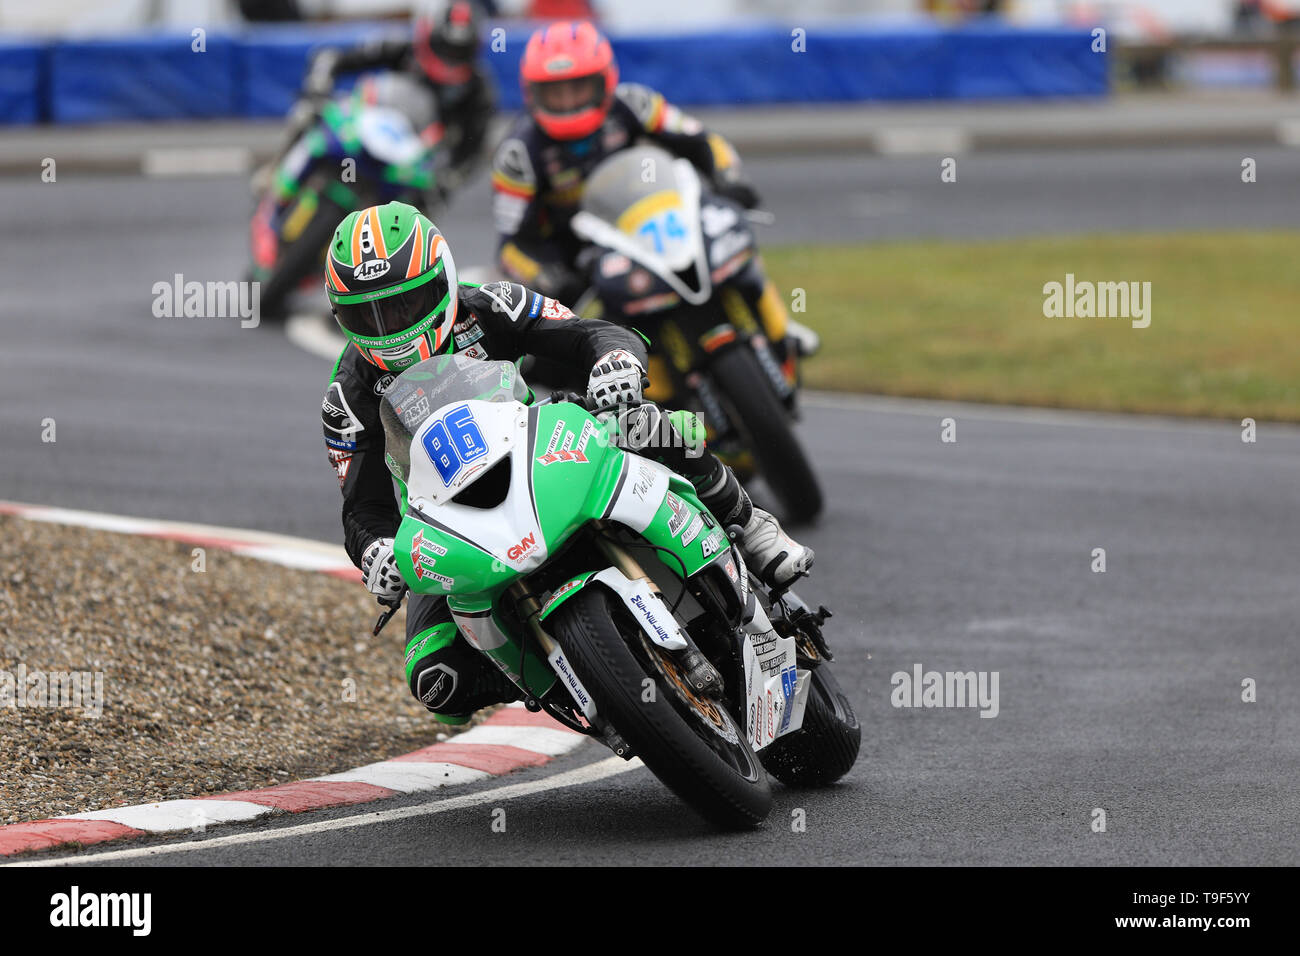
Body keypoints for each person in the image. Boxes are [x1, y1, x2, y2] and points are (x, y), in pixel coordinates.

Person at [321, 200, 814, 724]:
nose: (388, 328)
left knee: (655, 423)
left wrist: (613, 361)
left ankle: (748, 524)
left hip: (540, 448)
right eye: (365, 315)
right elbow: (363, 506)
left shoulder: (493, 306)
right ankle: (565, 677)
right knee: (437, 679)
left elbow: (586, 333)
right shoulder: (347, 399)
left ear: (442, 279)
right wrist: (375, 550)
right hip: (445, 518)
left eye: (401, 306)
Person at [490, 19, 819, 359]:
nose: (568, 101)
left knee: (727, 238)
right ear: (533, 93)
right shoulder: (517, 154)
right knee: (558, 345)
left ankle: (779, 326)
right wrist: (549, 278)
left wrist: (729, 179)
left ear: (604, 81)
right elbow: (511, 245)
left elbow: (702, 141)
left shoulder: (634, 103)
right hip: (580, 258)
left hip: (646, 218)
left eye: (578, 88)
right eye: (555, 92)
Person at [258, 1, 494, 200]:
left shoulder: (478, 90)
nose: (450, 59)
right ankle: (275, 172)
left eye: (459, 51)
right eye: (446, 48)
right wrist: (319, 86)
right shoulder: (402, 48)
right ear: (430, 36)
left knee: (428, 203)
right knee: (307, 111)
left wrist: (447, 178)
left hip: (412, 159)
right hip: (367, 123)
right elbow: (332, 58)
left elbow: (474, 150)